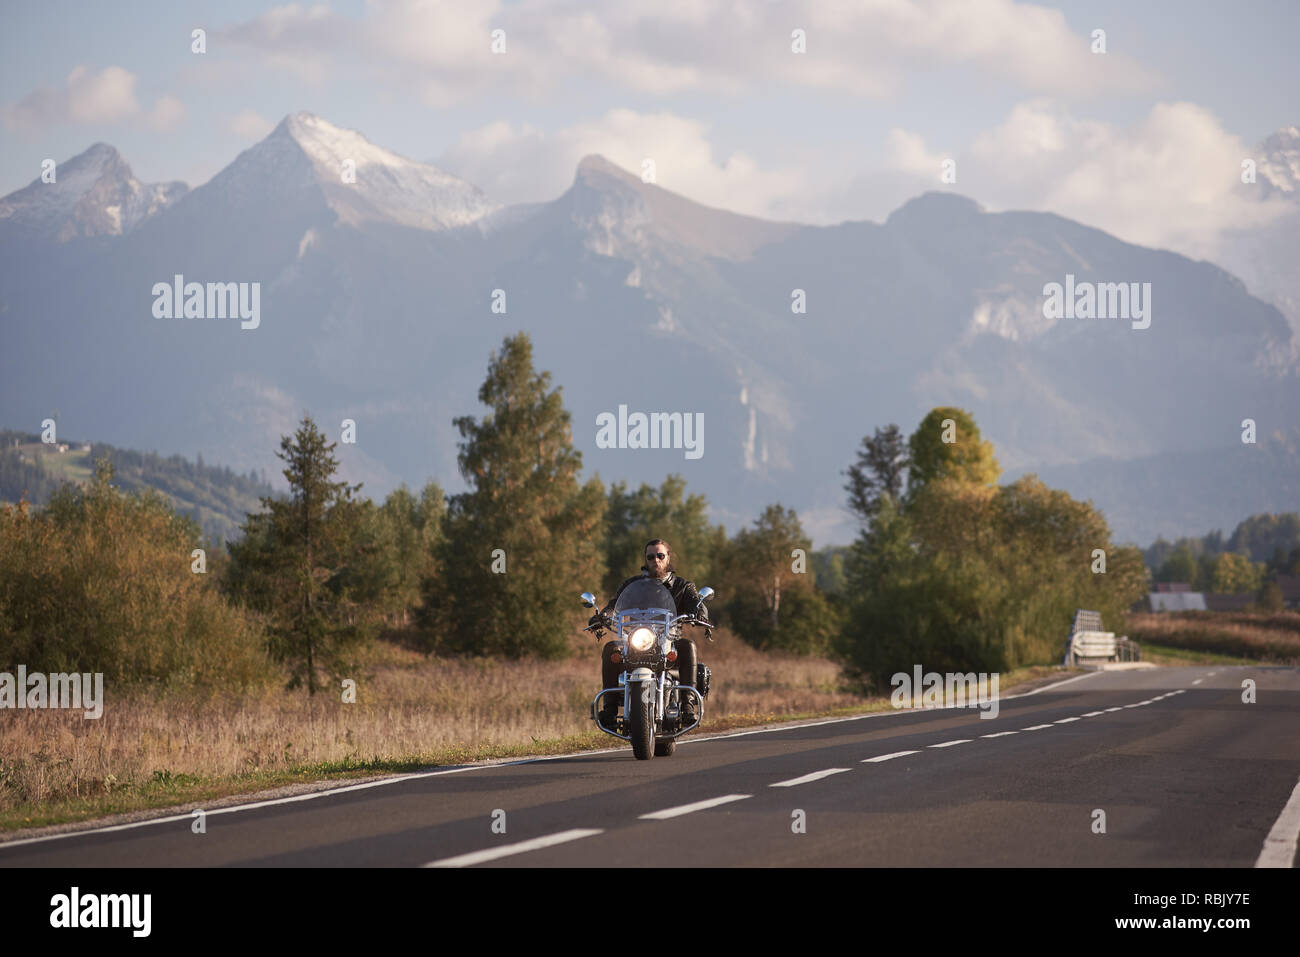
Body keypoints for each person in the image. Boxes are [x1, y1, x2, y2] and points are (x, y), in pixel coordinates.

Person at [590, 539, 710, 730]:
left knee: (687, 646)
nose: (656, 560)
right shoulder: (632, 584)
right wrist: (602, 616)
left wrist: (699, 612)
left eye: (660, 556)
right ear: (646, 560)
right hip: (637, 639)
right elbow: (614, 605)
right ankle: (610, 709)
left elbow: (695, 603)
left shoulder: (682, 586)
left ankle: (687, 705)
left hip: (669, 640)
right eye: (651, 556)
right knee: (611, 648)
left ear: (668, 557)